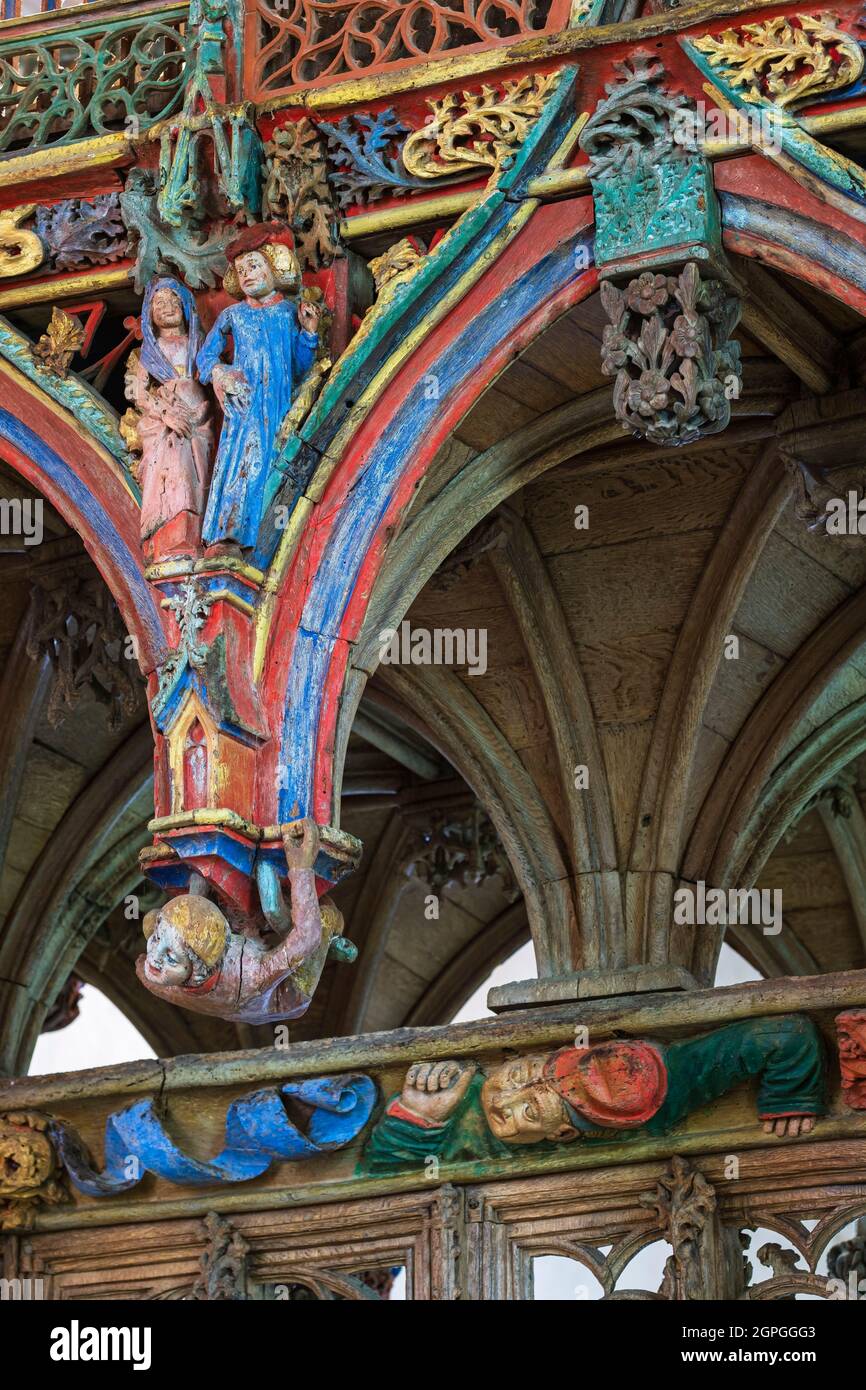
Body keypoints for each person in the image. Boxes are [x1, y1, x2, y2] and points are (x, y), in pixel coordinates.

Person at [363, 1015, 826, 1172]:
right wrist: (423, 1113)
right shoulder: (475, 1091)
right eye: (519, 1072)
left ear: (563, 1135)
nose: (501, 1101)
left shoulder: (672, 1090)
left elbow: (787, 1032)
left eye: (529, 1110)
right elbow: (377, 1175)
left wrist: (790, 1093)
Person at [136, 820, 345, 1023]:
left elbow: (144, 971)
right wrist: (302, 869)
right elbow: (307, 938)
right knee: (325, 917)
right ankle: (334, 936)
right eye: (172, 959)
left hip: (228, 989)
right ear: (196, 970)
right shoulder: (253, 974)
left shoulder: (153, 976)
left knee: (152, 921)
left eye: (168, 954)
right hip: (285, 994)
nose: (155, 959)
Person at [196, 223, 321, 555]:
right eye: (241, 270)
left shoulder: (285, 313)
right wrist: (221, 373)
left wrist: (308, 334)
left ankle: (262, 532)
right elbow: (205, 357)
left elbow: (297, 368)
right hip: (246, 403)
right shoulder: (233, 315)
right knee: (242, 461)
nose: (248, 274)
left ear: (274, 267)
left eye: (255, 266)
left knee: (270, 462)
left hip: (277, 403)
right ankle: (230, 533)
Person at [125, 277, 213, 554]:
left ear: (186, 306)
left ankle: (199, 530)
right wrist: (166, 413)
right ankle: (174, 534)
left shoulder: (197, 343)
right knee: (174, 466)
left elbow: (213, 372)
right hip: (166, 421)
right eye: (159, 303)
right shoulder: (148, 354)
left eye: (173, 300)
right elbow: (137, 393)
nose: (167, 307)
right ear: (149, 316)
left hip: (200, 415)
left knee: (202, 475)